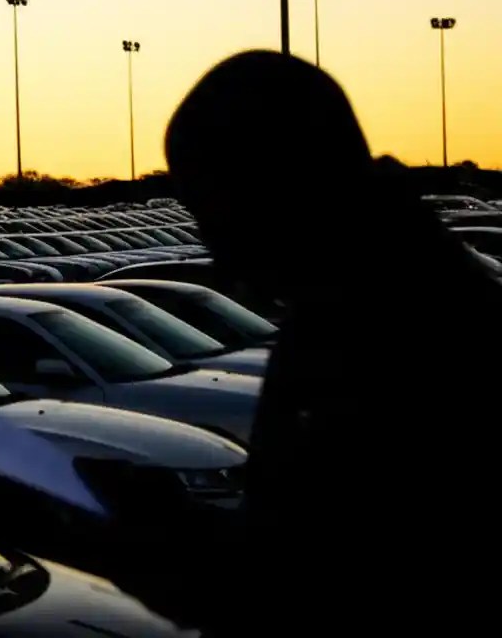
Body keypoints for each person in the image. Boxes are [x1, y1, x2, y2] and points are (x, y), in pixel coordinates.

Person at [164, 50, 500, 634]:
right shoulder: (353, 306)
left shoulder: (412, 343)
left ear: (280, 189)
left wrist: (175, 559)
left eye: (214, 212)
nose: (216, 251)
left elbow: (330, 578)